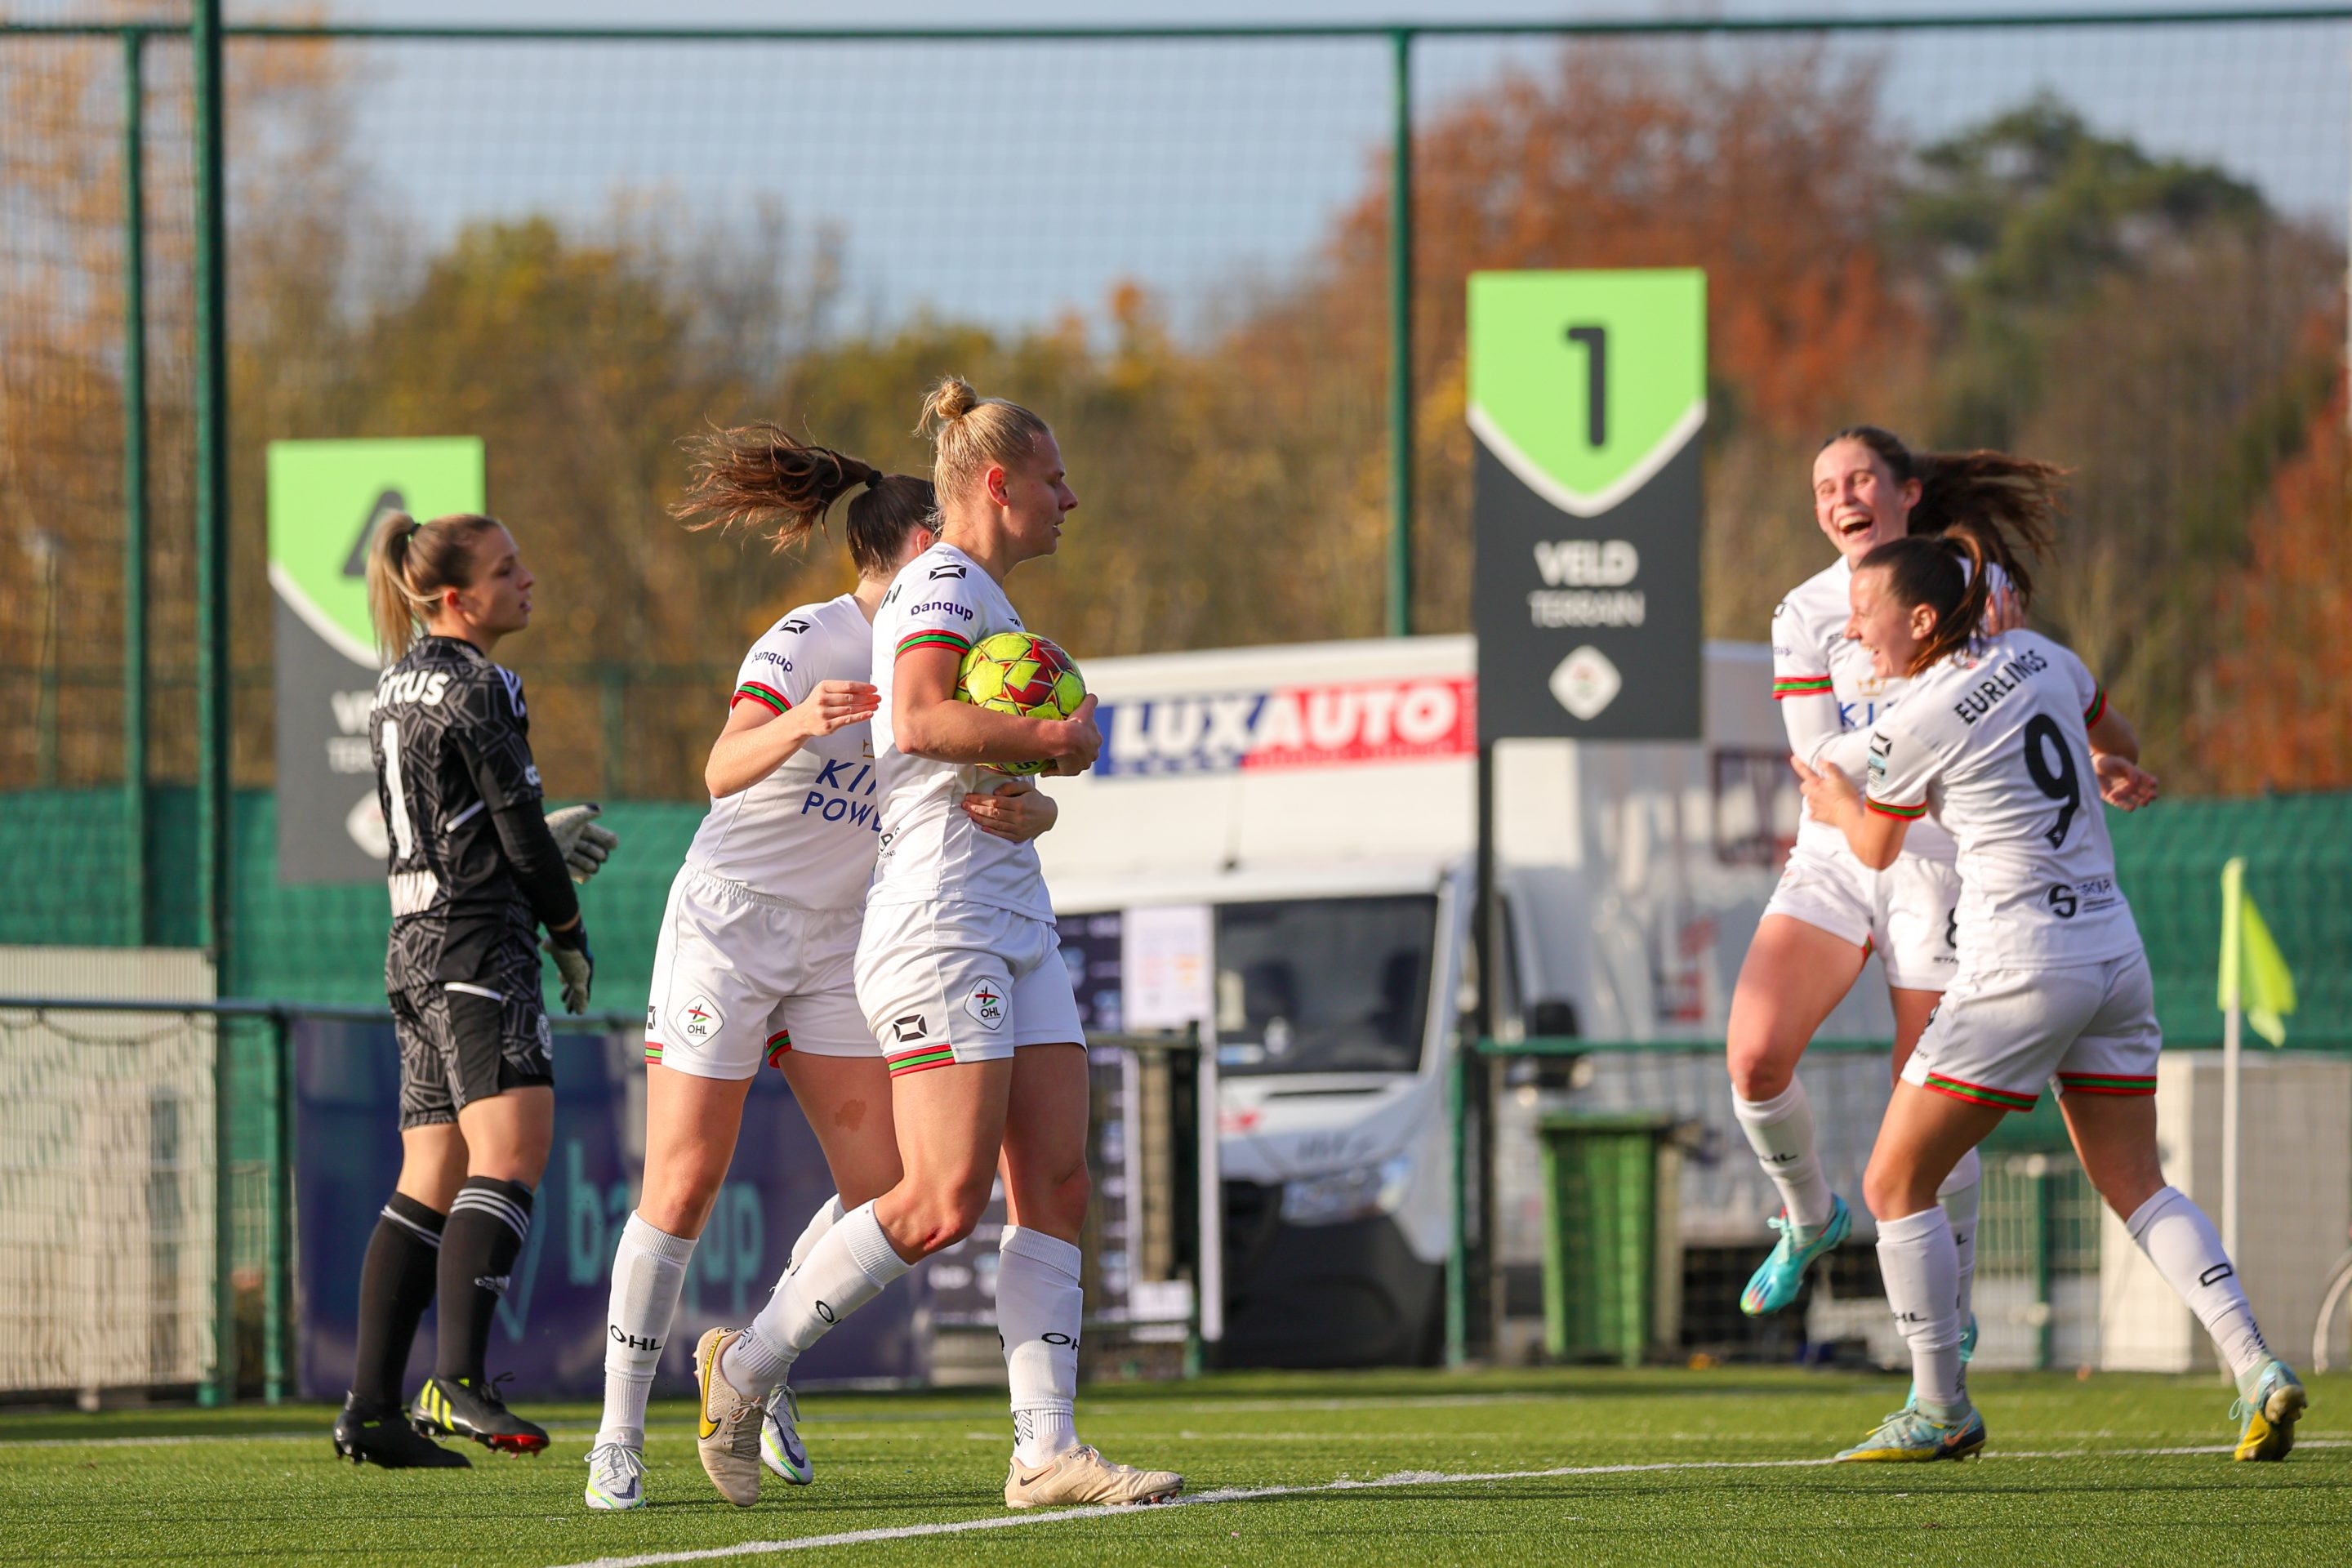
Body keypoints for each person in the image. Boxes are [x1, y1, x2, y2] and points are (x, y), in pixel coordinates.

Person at [689, 376, 1182, 1510]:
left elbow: (960, 768)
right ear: (998, 484)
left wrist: (1037, 793)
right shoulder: (943, 580)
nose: (1072, 500)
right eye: (1056, 480)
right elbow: (914, 721)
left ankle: (1045, 1452)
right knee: (940, 1201)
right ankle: (746, 1365)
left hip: (1014, 915)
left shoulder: (990, 602)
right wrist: (1052, 736)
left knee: (1056, 1183)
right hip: (939, 922)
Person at [584, 430, 1061, 1511]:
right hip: (732, 926)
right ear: (921, 546)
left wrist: (1032, 802)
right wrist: (801, 722)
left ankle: (756, 1358)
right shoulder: (814, 636)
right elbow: (720, 768)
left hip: (842, 940)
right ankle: (617, 1436)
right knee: (683, 1181)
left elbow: (980, 800)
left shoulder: (957, 654)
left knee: (891, 1189)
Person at [1793, 530, 2307, 1463]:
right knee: (2137, 1182)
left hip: (2021, 965)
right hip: (2112, 951)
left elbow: (1875, 848)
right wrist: (2101, 765)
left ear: (1922, 619)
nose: (1856, 636)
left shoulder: (1916, 718)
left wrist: (1837, 808)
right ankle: (2258, 1366)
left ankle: (1941, 1408)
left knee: (1892, 1182)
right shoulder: (2043, 655)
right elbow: (2121, 743)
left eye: (1866, 617)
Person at [1728, 426, 2058, 1338]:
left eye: (1860, 479)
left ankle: (1952, 1301)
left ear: (1907, 493)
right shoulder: (1803, 612)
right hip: (1836, 850)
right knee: (1754, 1058)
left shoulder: (1975, 581)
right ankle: (1810, 1216)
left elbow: (2018, 700)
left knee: (1929, 1098)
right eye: (1825, 487)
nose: (1842, 497)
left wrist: (2091, 755)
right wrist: (1925, 738)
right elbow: (1818, 762)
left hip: (1936, 864)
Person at [332, 511, 617, 1468]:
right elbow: (520, 832)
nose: (525, 579)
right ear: (455, 598)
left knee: (430, 1173)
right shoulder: (481, 683)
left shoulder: (393, 683)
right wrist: (567, 932)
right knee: (512, 1150)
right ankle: (458, 1380)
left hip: (412, 942)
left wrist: (520, 843)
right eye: (506, 569)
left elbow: (463, 818)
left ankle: (371, 1408)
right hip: (478, 945)